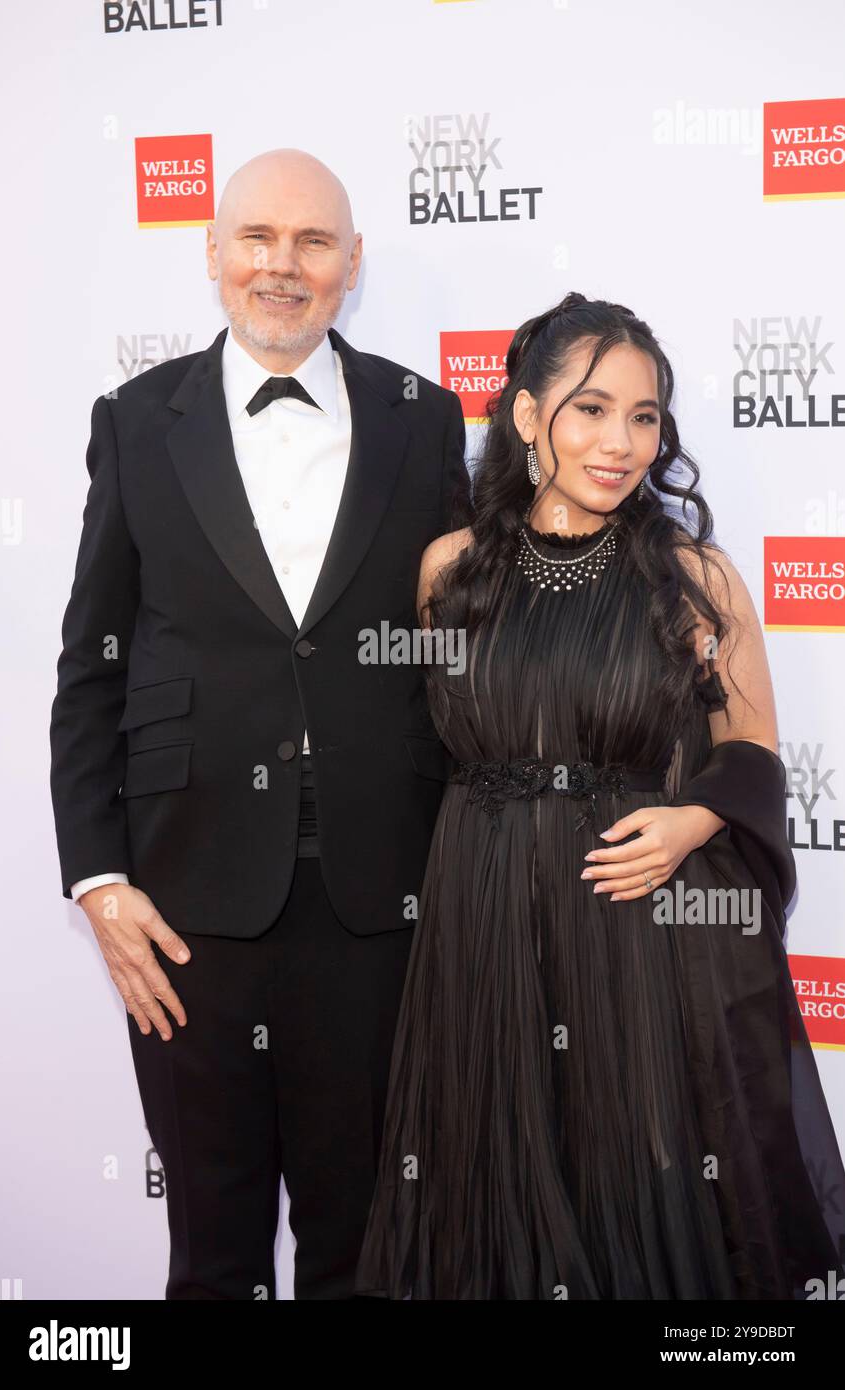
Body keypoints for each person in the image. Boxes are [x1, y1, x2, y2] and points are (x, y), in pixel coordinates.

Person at [354, 291, 845, 1300]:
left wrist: (692, 817)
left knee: (636, 1179)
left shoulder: (694, 577)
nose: (619, 441)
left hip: (629, 919)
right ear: (528, 417)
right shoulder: (449, 574)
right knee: (487, 1172)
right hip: (478, 913)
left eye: (643, 415)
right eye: (590, 408)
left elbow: (750, 750)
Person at [49, 148, 470, 1300]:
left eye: (312, 242)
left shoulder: (422, 419)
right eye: (256, 238)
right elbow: (92, 665)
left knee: (365, 1246)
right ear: (213, 254)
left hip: (378, 906)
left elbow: (458, 650)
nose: (281, 266)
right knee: (214, 1251)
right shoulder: (138, 420)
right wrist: (97, 876)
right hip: (186, 911)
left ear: (351, 266)